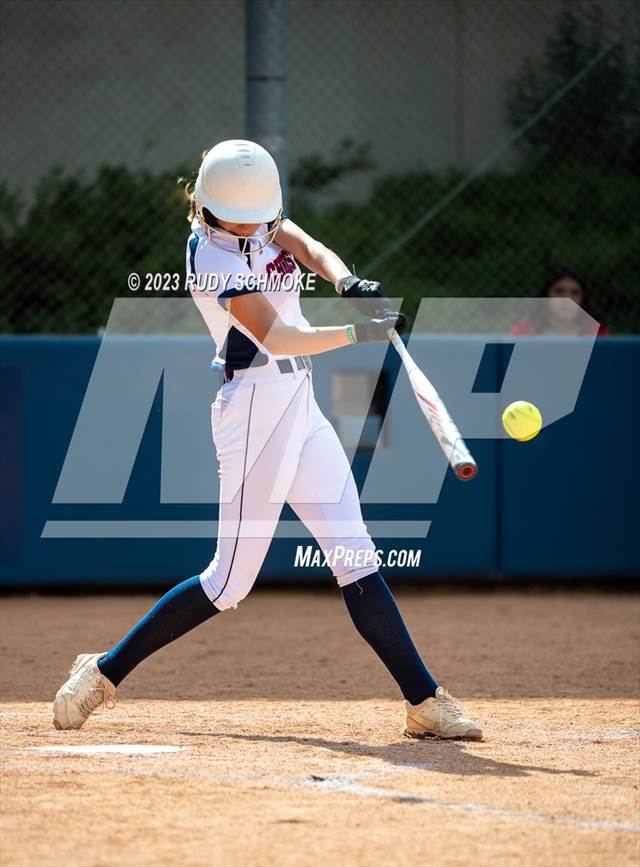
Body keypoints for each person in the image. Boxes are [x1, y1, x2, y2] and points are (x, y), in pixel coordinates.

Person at [53, 140, 481, 741]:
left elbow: (303, 245)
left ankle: (423, 700)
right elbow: (278, 337)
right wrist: (362, 331)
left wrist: (346, 279)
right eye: (243, 213)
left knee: (355, 555)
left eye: (262, 212)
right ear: (210, 207)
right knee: (228, 583)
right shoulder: (210, 255)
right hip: (253, 409)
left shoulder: (261, 218)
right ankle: (103, 671)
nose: (258, 222)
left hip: (299, 405)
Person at [510, 266, 609, 336]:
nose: (567, 299)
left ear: (583, 299)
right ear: (546, 297)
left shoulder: (597, 333)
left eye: (574, 293)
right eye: (559, 291)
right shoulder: (526, 330)